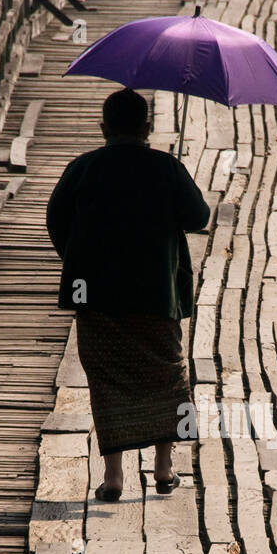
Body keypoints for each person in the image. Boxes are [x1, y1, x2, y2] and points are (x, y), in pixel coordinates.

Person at [45, 88, 210, 501]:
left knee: (108, 381)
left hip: (96, 296)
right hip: (158, 295)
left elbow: (55, 219)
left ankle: (114, 476)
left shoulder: (83, 168)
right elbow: (199, 216)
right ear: (147, 128)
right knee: (166, 377)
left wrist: (78, 259)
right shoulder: (165, 167)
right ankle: (163, 468)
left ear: (104, 128)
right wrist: (174, 177)